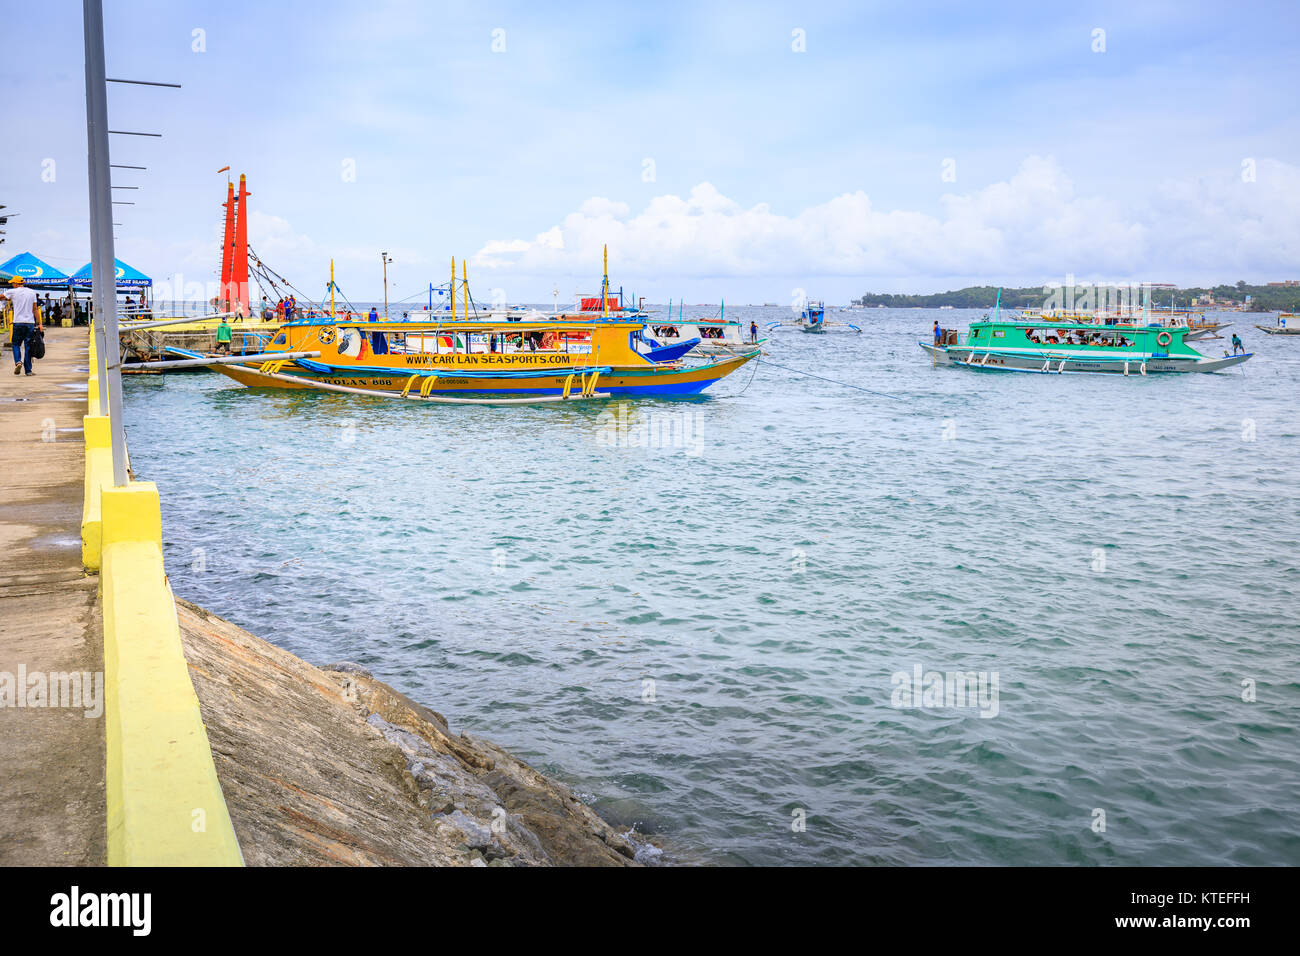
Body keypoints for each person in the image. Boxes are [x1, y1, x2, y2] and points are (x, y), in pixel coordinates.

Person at [1, 277, 43, 375]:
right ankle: (28, 371)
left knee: (16, 344)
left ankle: (18, 362)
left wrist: (6, 297)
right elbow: (35, 309)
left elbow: (1, 297)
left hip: (18, 323)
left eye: (12, 283)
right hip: (30, 323)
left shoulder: (12, 292)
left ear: (16, 283)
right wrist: (40, 323)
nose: (12, 285)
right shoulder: (32, 292)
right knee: (28, 346)